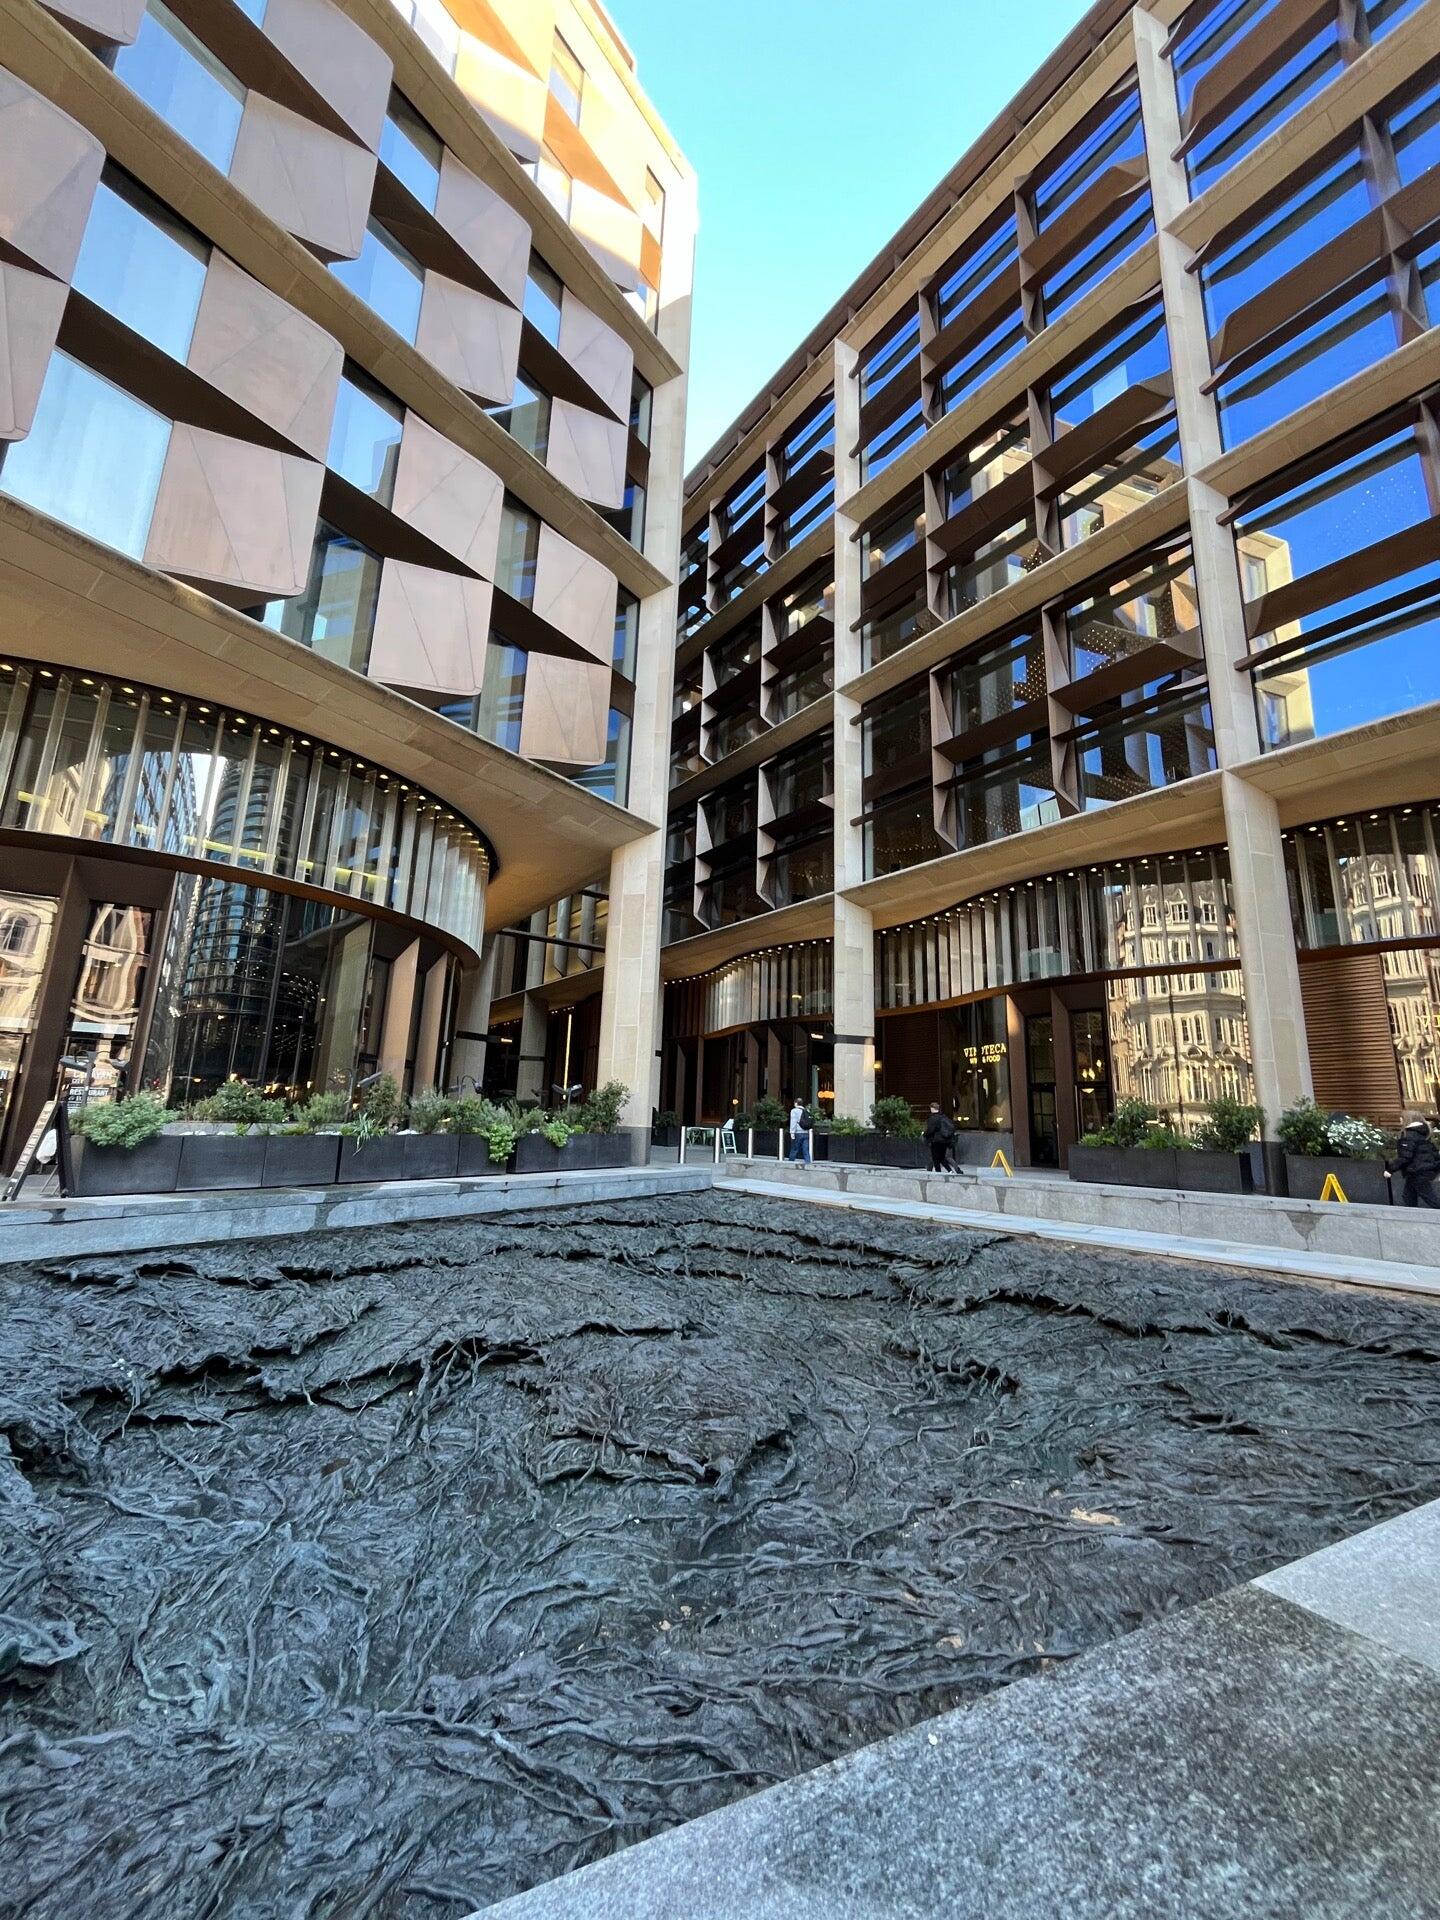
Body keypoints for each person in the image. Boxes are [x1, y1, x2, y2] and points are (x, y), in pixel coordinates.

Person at [1395, 1113, 1440, 1208]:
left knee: (1430, 1198)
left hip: (1417, 1170)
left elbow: (1405, 1156)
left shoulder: (1408, 1135)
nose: (1400, 1120)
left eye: (1402, 1118)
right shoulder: (1423, 1133)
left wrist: (1390, 1169)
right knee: (1409, 1196)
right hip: (1420, 1169)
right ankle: (1410, 1217)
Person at [923, 1102, 958, 1174]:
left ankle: (938, 1173)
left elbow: (930, 1130)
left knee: (935, 1158)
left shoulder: (933, 1118)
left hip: (936, 1140)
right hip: (945, 1140)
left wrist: (924, 1134)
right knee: (942, 1157)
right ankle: (949, 1170)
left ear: (932, 1108)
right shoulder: (943, 1116)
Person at [787, 1095, 812, 1163]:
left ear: (796, 1103)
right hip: (806, 1132)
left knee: (794, 1148)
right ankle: (808, 1162)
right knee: (806, 1149)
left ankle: (790, 1162)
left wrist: (792, 1132)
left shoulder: (794, 1111)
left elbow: (793, 1122)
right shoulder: (806, 1110)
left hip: (798, 1132)